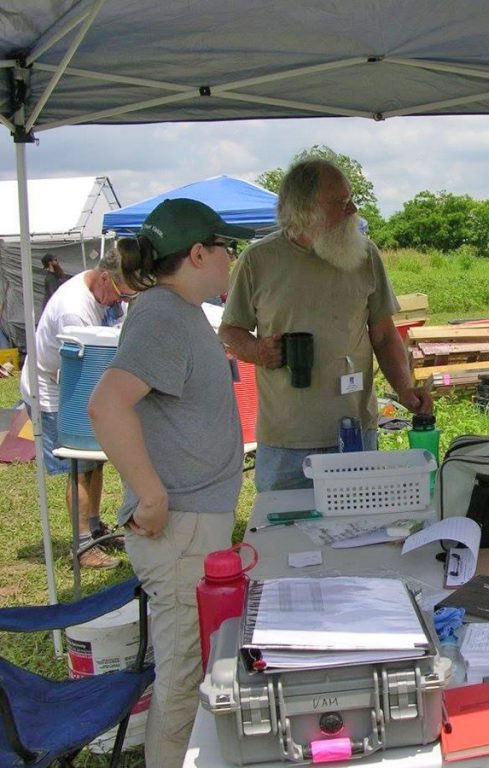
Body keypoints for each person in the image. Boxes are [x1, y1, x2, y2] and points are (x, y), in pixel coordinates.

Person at [88, 198, 253, 768]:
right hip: (179, 527)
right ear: (199, 253)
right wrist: (151, 495)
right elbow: (107, 405)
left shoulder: (175, 312)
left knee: (191, 668)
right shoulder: (163, 314)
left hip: (192, 526)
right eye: (226, 247)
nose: (233, 258)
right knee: (184, 680)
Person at [218, 159, 432, 491]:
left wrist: (404, 388)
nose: (353, 209)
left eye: (351, 199)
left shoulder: (364, 255)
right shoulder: (257, 261)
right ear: (304, 210)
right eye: (340, 202)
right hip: (286, 442)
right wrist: (258, 351)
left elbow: (384, 332)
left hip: (355, 434)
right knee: (284, 538)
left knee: (358, 530)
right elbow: (230, 332)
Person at [20, 249, 134, 569]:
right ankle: (83, 548)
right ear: (103, 278)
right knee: (80, 468)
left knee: (95, 463)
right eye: (118, 293)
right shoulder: (75, 311)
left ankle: (95, 530)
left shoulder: (101, 292)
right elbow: (89, 371)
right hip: (56, 391)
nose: (118, 301)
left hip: (74, 384)